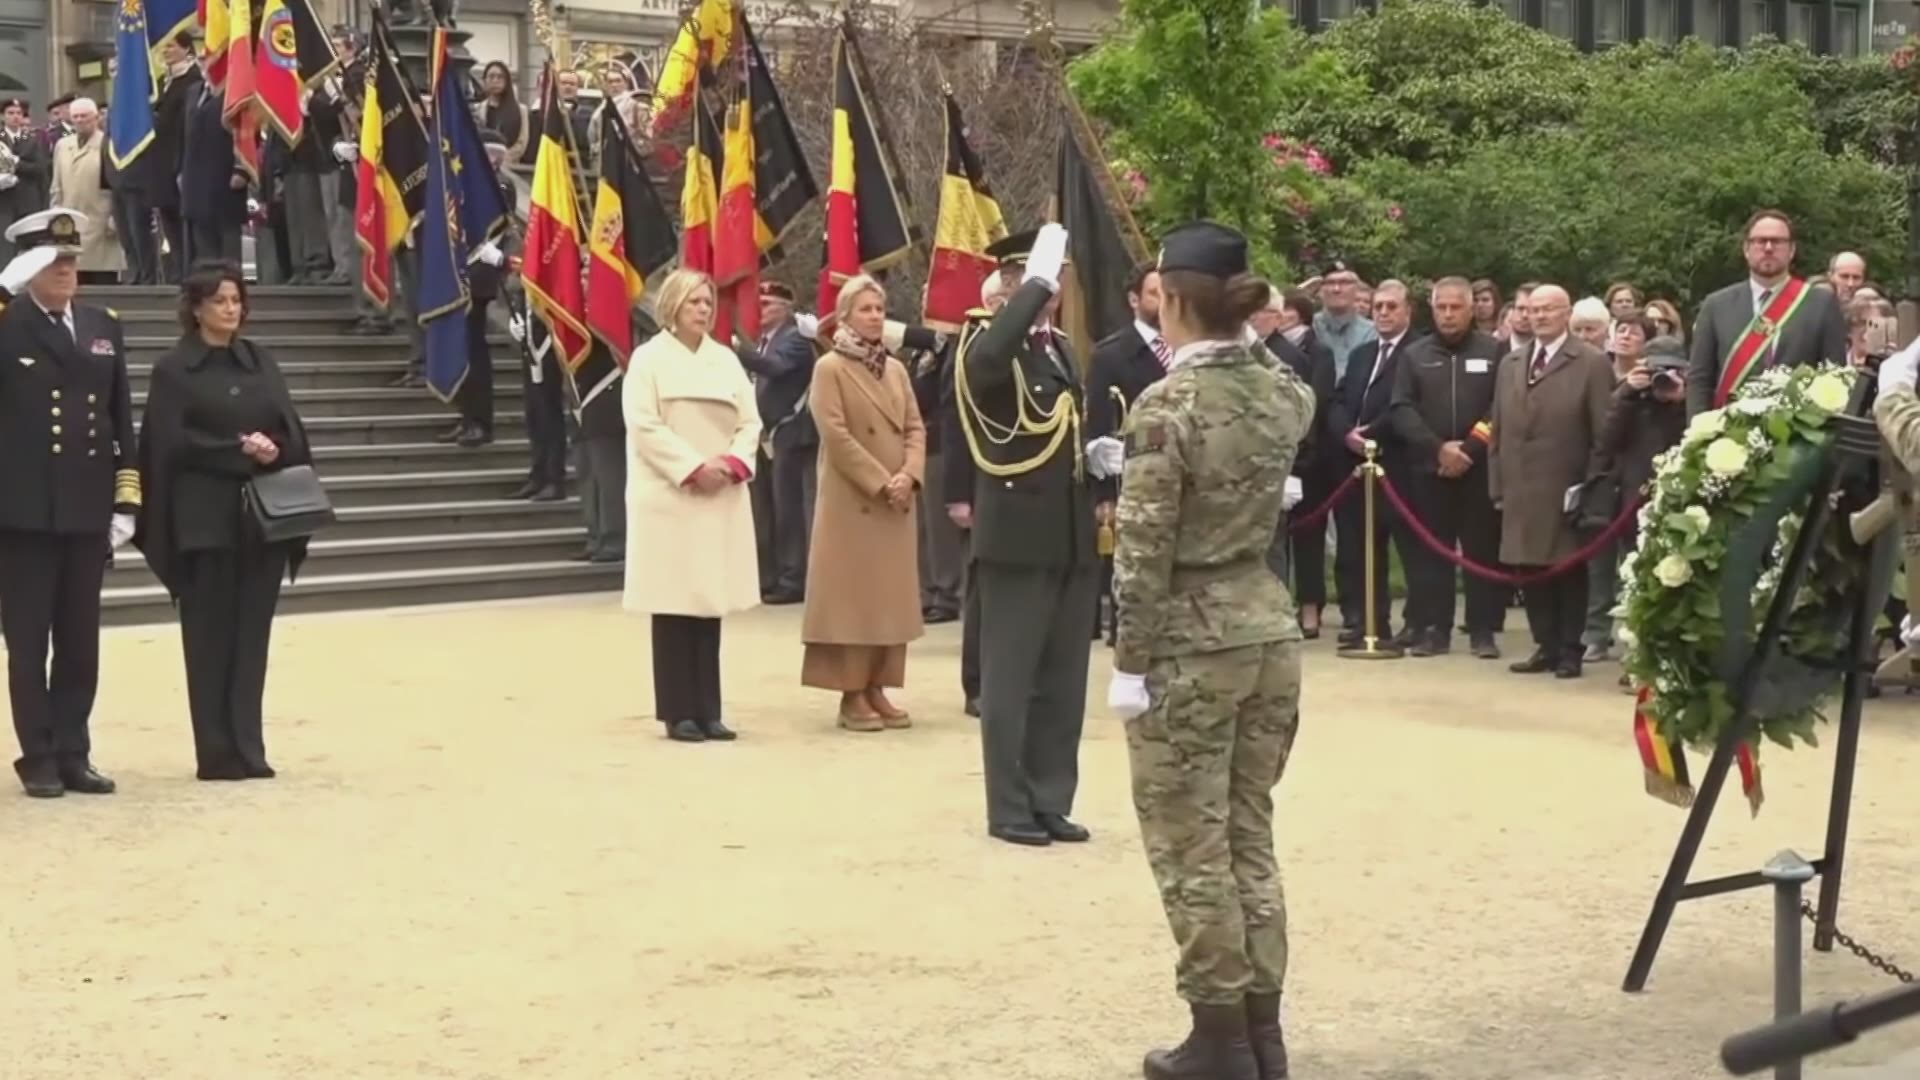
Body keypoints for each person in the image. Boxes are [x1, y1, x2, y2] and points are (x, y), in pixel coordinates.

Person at [1107, 220, 1315, 1080]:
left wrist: (1129, 662)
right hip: (1266, 626)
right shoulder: (1281, 396)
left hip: (1190, 642)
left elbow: (1142, 550)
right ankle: (1263, 1034)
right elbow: (1289, 380)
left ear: (1171, 300)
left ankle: (1220, 1040)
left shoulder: (1167, 406)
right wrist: (1244, 333)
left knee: (1192, 847)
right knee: (1247, 835)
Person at [134, 262, 311, 780]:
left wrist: (273, 448)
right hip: (203, 522)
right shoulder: (174, 369)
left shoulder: (259, 361)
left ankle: (249, 747)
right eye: (219, 301)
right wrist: (237, 450)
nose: (230, 309)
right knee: (209, 639)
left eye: (236, 300)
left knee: (252, 638)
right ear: (196, 309)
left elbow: (290, 426)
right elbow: (168, 442)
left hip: (261, 518)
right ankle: (215, 751)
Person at [952, 224, 1097, 847]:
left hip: (1067, 531)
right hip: (1015, 535)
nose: (1052, 291)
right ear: (1009, 286)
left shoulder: (1058, 347)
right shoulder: (983, 341)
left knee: (1063, 681)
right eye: (1039, 280)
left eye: (1055, 280)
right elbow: (988, 368)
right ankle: (1008, 806)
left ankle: (1050, 798)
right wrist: (1029, 289)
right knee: (1010, 681)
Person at [0, 209, 137, 797]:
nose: (66, 270)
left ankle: (74, 751)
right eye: (53, 261)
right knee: (29, 643)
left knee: (80, 643)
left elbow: (119, 417)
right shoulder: (7, 322)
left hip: (85, 509)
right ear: (27, 266)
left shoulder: (103, 324)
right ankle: (38, 755)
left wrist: (126, 499)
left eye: (72, 259)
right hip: (23, 512)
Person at [622, 269, 761, 743]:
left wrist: (732, 463)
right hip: (671, 494)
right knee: (673, 604)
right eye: (694, 302)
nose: (704, 309)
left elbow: (750, 423)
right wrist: (692, 467)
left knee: (709, 602)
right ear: (673, 306)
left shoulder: (725, 359)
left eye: (707, 302)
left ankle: (709, 709)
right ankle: (678, 710)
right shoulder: (648, 359)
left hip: (718, 492)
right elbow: (644, 425)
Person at [800, 275, 927, 730]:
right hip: (854, 502)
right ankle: (851, 692)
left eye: (880, 309)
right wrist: (881, 482)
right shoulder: (829, 368)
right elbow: (836, 435)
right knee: (852, 599)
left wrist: (910, 474)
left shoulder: (895, 369)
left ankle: (878, 685)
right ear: (845, 316)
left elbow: (915, 427)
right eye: (866, 309)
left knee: (888, 600)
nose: (875, 316)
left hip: (897, 502)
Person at [1489, 284, 1614, 679]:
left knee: (1566, 571)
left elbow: (1604, 433)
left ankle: (1570, 649)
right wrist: (1497, 483)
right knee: (1528, 569)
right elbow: (1498, 426)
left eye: (1547, 309)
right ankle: (1545, 643)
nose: (1538, 316)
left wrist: (1591, 486)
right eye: (1532, 310)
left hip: (1566, 486)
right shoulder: (1511, 362)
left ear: (1567, 313)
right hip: (1518, 484)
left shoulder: (1591, 362)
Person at [1390, 276, 1504, 659]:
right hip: (1430, 469)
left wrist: (1468, 450)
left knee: (1480, 551)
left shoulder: (1495, 351)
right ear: (1432, 309)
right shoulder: (1414, 355)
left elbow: (1500, 406)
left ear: (1472, 310)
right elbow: (1402, 408)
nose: (1449, 314)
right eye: (1442, 307)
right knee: (1432, 553)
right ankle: (1435, 629)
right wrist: (1438, 449)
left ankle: (1482, 631)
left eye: (1456, 307)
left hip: (1478, 468)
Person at [1686, 210, 1847, 416]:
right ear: (1746, 249)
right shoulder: (1716, 305)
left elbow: (1834, 377)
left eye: (1777, 241)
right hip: (1727, 428)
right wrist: (1698, 428)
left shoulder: (1821, 304)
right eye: (1760, 241)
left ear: (1791, 250)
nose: (1768, 248)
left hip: (1797, 431)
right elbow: (1700, 379)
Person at [1327, 280, 1417, 647]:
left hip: (1398, 465)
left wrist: (1371, 434)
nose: (1383, 313)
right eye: (1378, 306)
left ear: (1408, 311)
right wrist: (1345, 432)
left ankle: (1418, 623)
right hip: (1355, 467)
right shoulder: (1363, 353)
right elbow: (1338, 398)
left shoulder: (1417, 351)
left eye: (1391, 306)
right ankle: (1370, 621)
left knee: (1410, 549)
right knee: (1361, 548)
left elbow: (1406, 404)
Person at [1087, 264, 1169, 640]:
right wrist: (1104, 495)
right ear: (1134, 300)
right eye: (1155, 293)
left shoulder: (1188, 349)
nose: (1164, 301)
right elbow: (1098, 432)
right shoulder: (1111, 355)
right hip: (1133, 480)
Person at [738, 282, 819, 604]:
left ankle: (793, 578)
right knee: (769, 509)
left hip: (792, 433)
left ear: (786, 309)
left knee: (789, 511)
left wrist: (737, 348)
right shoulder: (764, 341)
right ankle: (772, 574)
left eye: (768, 304)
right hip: (767, 434)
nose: (761, 309)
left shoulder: (794, 339)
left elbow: (776, 368)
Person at [440, 132, 515, 448]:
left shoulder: (500, 185)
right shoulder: (469, 183)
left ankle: (480, 421)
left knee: (474, 350)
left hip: (480, 275)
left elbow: (493, 228)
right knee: (461, 349)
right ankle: (466, 416)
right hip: (461, 271)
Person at [48, 99, 122, 283]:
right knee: (73, 279)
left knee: (102, 279)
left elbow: (117, 185)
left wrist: (116, 216)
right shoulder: (62, 145)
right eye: (76, 117)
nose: (80, 120)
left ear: (96, 118)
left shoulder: (109, 144)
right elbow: (56, 185)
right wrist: (54, 212)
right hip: (69, 224)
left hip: (100, 222)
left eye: (84, 116)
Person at [150, 33, 202, 284]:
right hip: (162, 164)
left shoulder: (194, 80)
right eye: (164, 46)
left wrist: (183, 166)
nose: (166, 51)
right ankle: (178, 272)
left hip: (183, 161)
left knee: (186, 223)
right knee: (169, 221)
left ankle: (192, 273)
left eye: (171, 46)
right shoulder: (162, 82)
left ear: (187, 49)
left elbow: (189, 127)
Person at [181, 73, 247, 267]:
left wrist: (242, 168)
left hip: (225, 177)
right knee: (204, 246)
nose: (204, 65)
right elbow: (184, 134)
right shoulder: (195, 92)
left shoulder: (236, 90)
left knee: (228, 243)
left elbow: (247, 131)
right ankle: (208, 281)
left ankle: (231, 280)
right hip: (196, 178)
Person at [0, 97, 50, 261]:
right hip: (4, 202)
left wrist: (17, 163)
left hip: (27, 201)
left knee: (27, 246)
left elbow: (40, 169)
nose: (15, 117)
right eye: (10, 113)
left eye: (19, 113)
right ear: (3, 116)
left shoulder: (31, 140)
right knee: (5, 248)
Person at [476, 61, 530, 165]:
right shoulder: (478, 109)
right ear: (484, 80)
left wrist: (502, 158)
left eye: (500, 77)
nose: (495, 80)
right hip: (481, 163)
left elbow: (521, 143)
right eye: (491, 77)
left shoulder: (521, 110)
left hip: (509, 165)